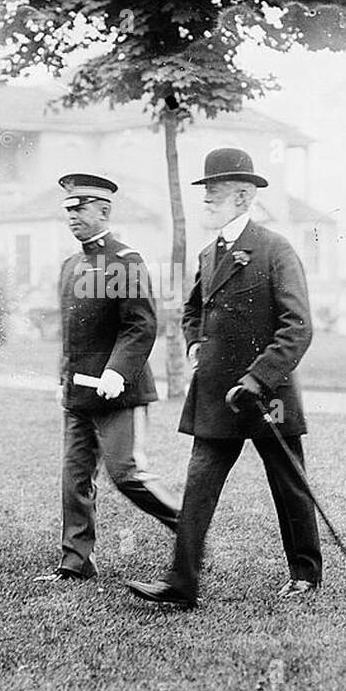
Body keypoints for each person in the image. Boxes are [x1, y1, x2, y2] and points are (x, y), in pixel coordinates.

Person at [126, 148, 321, 607]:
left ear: (243, 196)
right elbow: (193, 309)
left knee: (288, 485)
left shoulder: (276, 249)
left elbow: (298, 327)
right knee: (198, 487)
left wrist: (257, 379)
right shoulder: (208, 254)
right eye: (206, 193)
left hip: (265, 395)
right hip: (216, 394)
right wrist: (195, 341)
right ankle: (182, 583)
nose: (207, 200)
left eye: (214, 194)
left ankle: (306, 575)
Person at [34, 173, 180, 583]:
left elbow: (141, 325)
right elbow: (72, 335)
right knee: (74, 478)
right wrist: (61, 380)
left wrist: (116, 372)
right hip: (78, 394)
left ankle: (189, 530)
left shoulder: (126, 261)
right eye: (69, 210)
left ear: (104, 211)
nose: (73, 217)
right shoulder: (69, 266)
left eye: (80, 209)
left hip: (119, 392)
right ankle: (76, 562)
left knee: (126, 473)